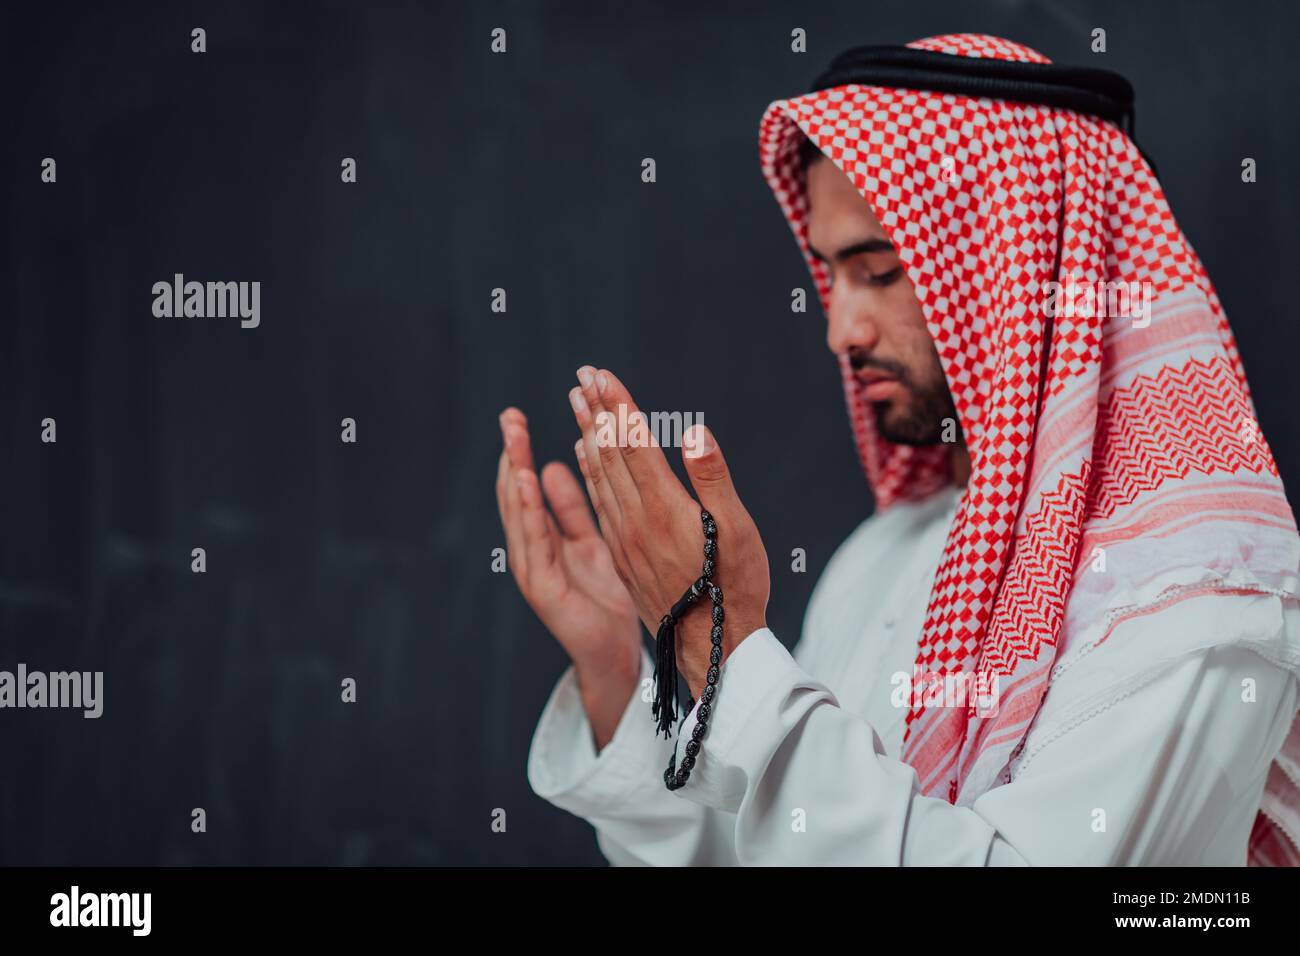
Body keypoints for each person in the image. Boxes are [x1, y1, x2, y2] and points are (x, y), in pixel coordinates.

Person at [495, 33, 1300, 865]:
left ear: (1014, 271)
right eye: (830, 276)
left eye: (878, 272)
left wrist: (721, 648)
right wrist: (622, 670)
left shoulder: (1196, 597)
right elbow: (764, 845)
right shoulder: (882, 555)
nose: (840, 330)